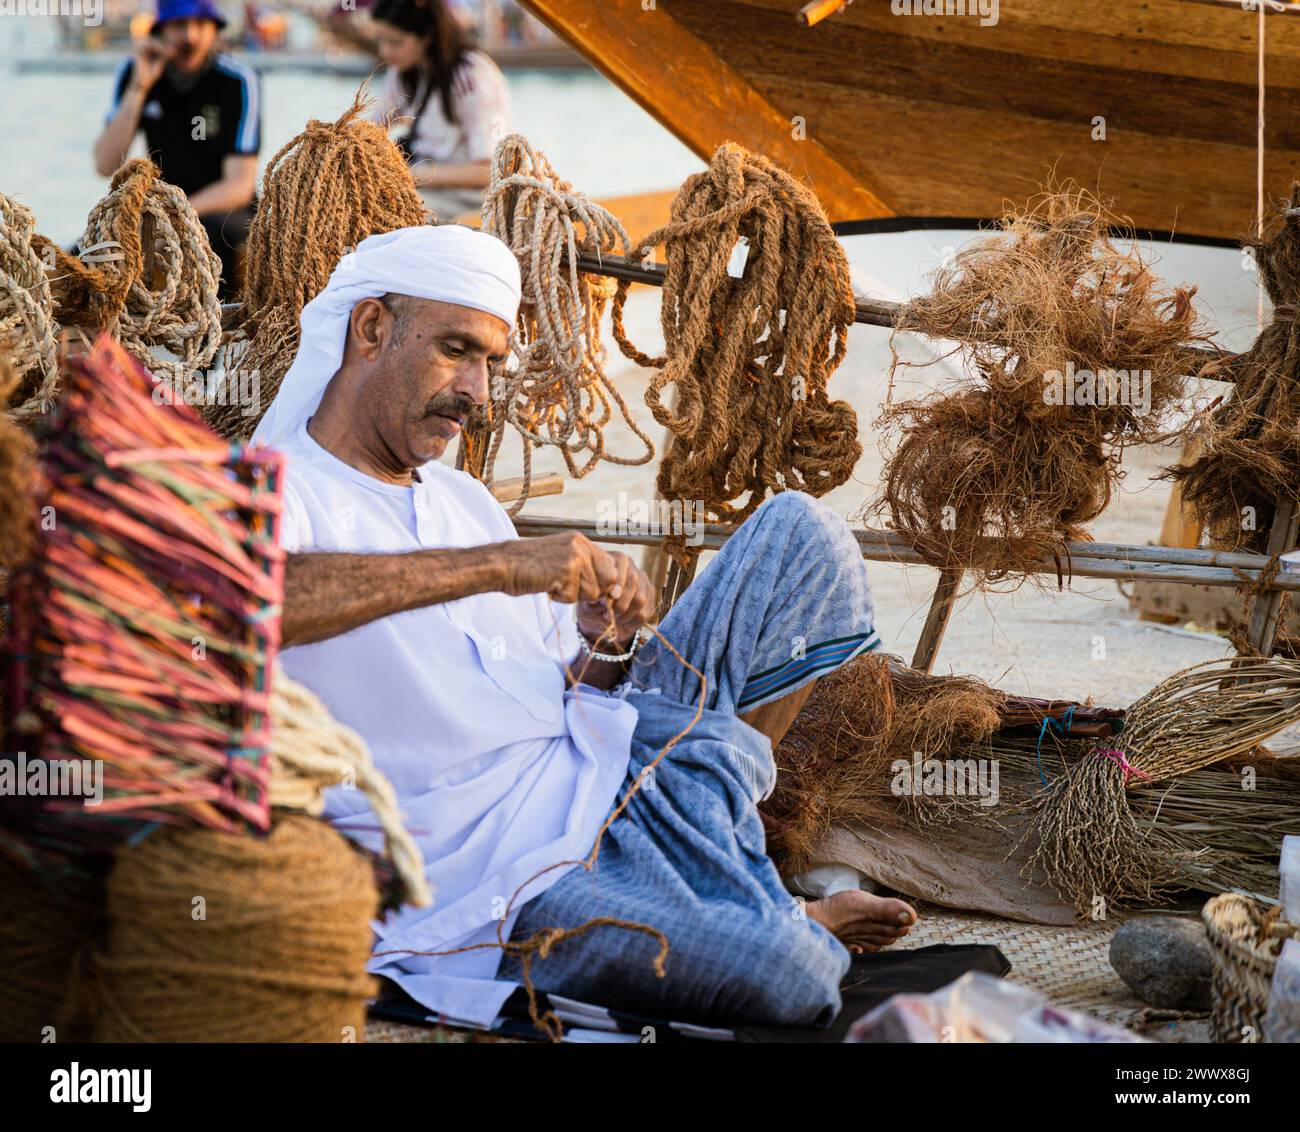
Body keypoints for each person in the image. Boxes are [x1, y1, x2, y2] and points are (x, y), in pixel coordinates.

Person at [262, 226, 917, 1031]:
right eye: (456, 350)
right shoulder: (273, 493)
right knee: (788, 979)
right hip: (496, 871)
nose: (477, 391)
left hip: (606, 758)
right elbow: (249, 599)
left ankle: (718, 850)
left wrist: (603, 640)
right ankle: (767, 912)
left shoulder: (458, 499)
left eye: (492, 364)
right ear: (370, 329)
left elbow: (561, 693)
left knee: (802, 535)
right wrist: (500, 565)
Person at [94, 0, 261, 299]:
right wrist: (140, 87)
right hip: (161, 208)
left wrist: (174, 219)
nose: (190, 37)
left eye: (200, 25)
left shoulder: (237, 80)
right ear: (160, 32)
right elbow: (105, 164)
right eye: (179, 25)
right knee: (92, 249)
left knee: (212, 236)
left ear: (214, 31)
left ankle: (221, 321)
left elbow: (239, 185)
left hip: (223, 212)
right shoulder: (135, 72)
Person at [363, 0, 509, 220]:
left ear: (427, 36)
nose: (385, 51)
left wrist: (412, 174)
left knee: (386, 213)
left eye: (396, 42)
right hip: (423, 188)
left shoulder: (472, 76)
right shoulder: (403, 71)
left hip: (468, 198)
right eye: (380, 41)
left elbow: (489, 170)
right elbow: (369, 131)